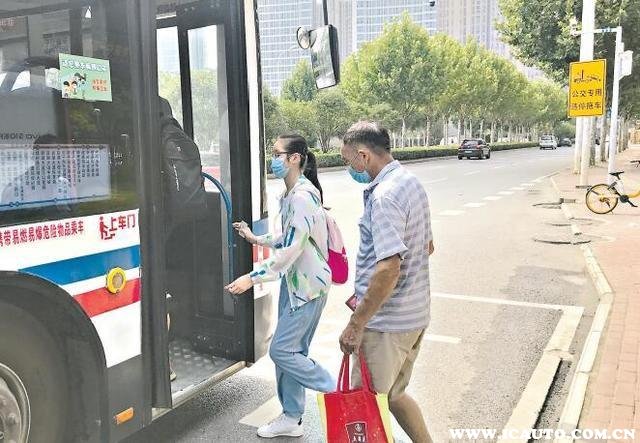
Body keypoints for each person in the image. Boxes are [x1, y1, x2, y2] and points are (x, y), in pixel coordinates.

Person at [226, 134, 334, 438]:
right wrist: (254, 238)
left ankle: (335, 388)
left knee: (282, 351)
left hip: (308, 287)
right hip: (295, 284)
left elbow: (290, 251)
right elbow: (287, 237)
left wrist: (251, 278)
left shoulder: (302, 196)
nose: (272, 159)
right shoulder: (290, 195)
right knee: (292, 350)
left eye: (277, 154)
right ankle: (291, 416)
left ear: (294, 158)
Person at [338, 121, 435, 443]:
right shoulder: (410, 182)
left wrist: (356, 324)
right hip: (414, 317)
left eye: (348, 160)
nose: (348, 167)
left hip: (386, 326)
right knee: (393, 395)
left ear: (364, 155)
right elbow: (427, 246)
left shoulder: (384, 197)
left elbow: (388, 268)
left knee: (365, 408)